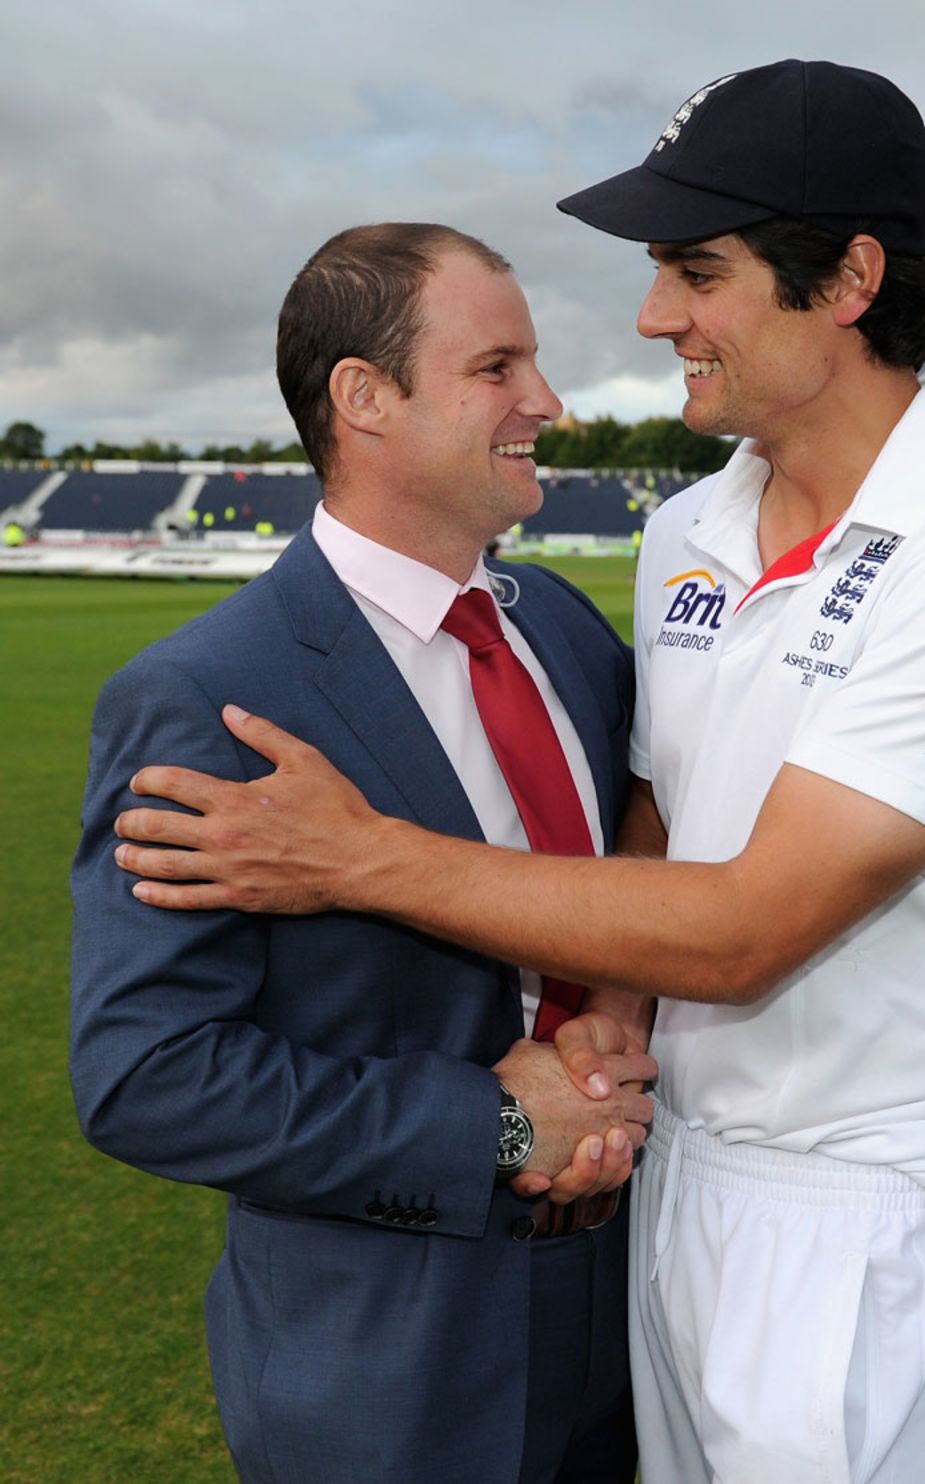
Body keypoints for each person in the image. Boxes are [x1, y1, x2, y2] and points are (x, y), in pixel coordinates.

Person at [113, 62, 925, 1484]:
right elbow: (656, 821)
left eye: (695, 270)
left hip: (861, 1213)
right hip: (661, 1177)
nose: (653, 318)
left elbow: (754, 924)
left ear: (847, 278)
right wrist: (605, 1026)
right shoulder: (690, 531)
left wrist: (356, 856)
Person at [71, 222, 658, 1484]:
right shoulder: (207, 694)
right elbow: (145, 1071)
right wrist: (498, 1124)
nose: (545, 401)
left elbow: (619, 882)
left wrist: (613, 1017)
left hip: (629, 1315)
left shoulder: (560, 625)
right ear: (365, 396)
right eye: (497, 366)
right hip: (390, 1366)